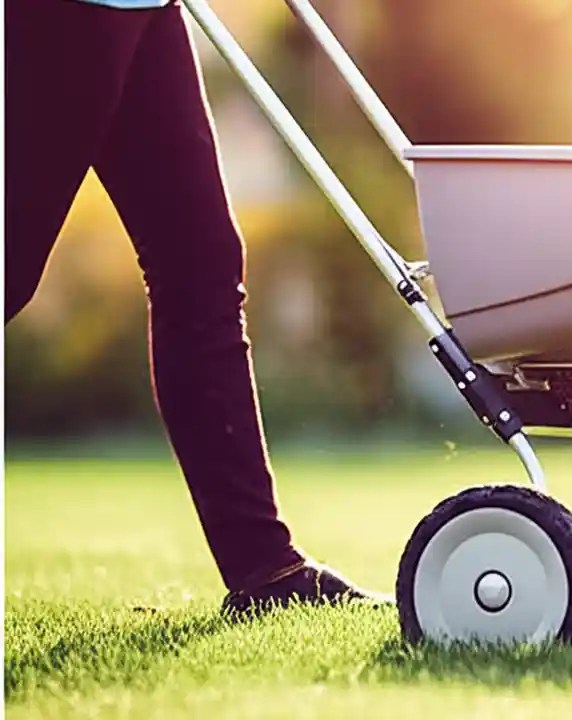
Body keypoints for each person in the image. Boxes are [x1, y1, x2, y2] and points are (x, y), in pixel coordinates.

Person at [5, 0, 387, 613]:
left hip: (149, 10)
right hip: (61, 12)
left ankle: (265, 569)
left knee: (200, 265)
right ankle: (263, 566)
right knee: (11, 265)